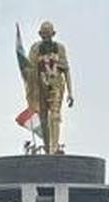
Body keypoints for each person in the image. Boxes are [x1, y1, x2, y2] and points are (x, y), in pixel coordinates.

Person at [25, 21, 74, 154]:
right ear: (40, 34)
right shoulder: (35, 49)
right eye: (44, 33)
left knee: (55, 116)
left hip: (56, 83)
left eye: (48, 33)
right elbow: (29, 69)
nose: (46, 36)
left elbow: (66, 70)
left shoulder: (60, 48)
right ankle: (47, 148)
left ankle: (54, 147)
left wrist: (70, 92)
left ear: (53, 33)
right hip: (41, 85)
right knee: (43, 117)